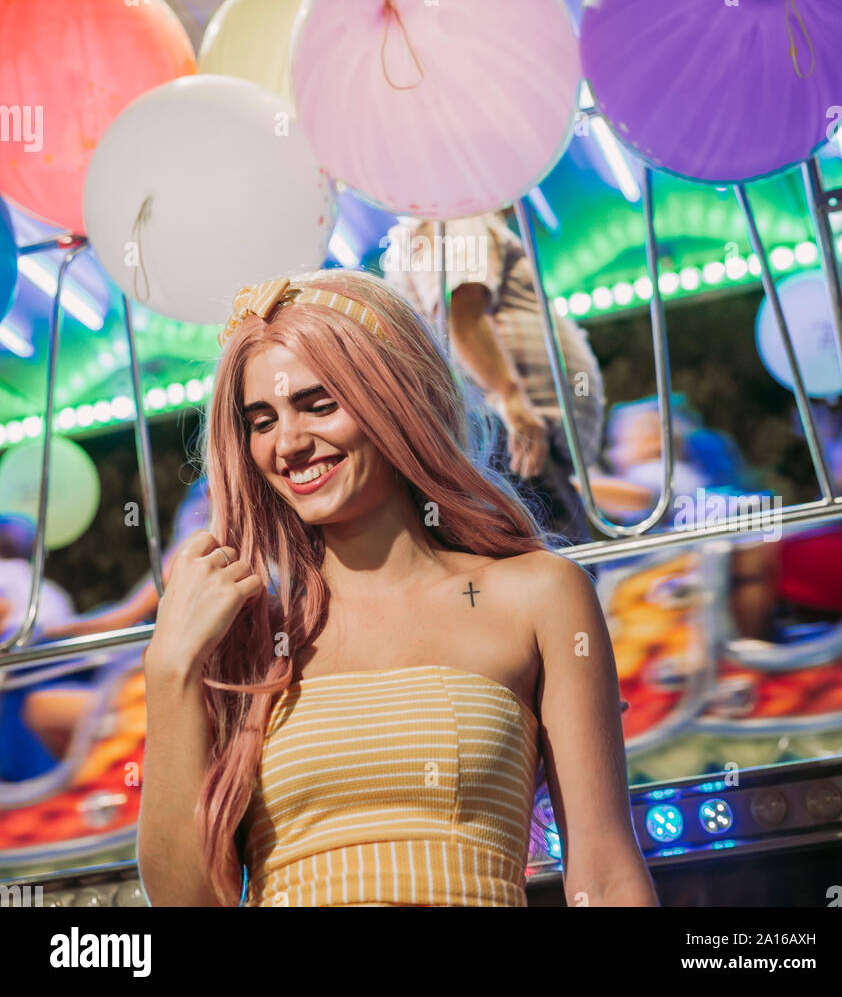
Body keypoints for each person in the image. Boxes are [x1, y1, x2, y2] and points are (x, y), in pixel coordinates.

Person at [137, 269, 657, 908]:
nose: (290, 443)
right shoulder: (244, 637)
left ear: (397, 396)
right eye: (262, 420)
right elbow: (187, 905)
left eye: (319, 403)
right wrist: (170, 670)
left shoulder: (542, 595)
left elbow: (604, 876)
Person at [382, 210, 606, 546]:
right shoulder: (457, 212)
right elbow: (462, 310)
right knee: (559, 572)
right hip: (512, 432)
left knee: (558, 567)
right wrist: (511, 397)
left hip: (515, 435)